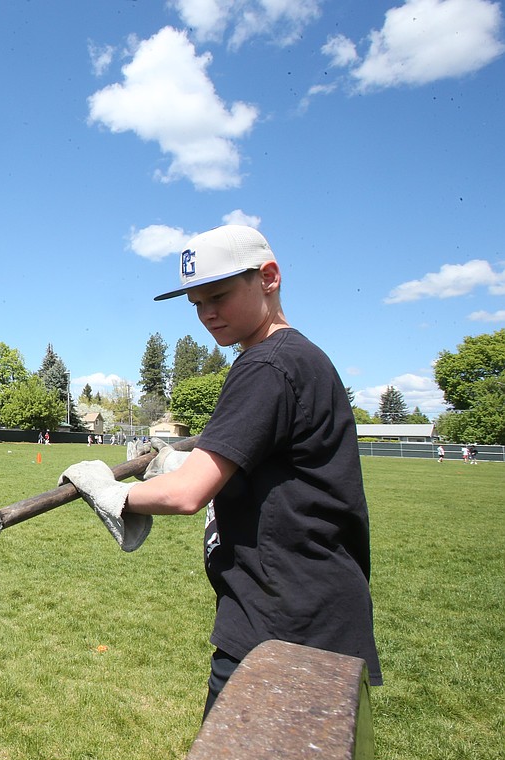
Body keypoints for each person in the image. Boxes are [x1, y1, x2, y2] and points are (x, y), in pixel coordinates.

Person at [60, 224, 381, 720]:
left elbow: (190, 494)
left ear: (268, 277)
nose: (207, 314)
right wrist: (170, 461)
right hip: (310, 611)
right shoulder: (299, 358)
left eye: (220, 295)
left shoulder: (265, 365)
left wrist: (110, 493)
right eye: (196, 303)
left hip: (283, 624)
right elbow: (265, 470)